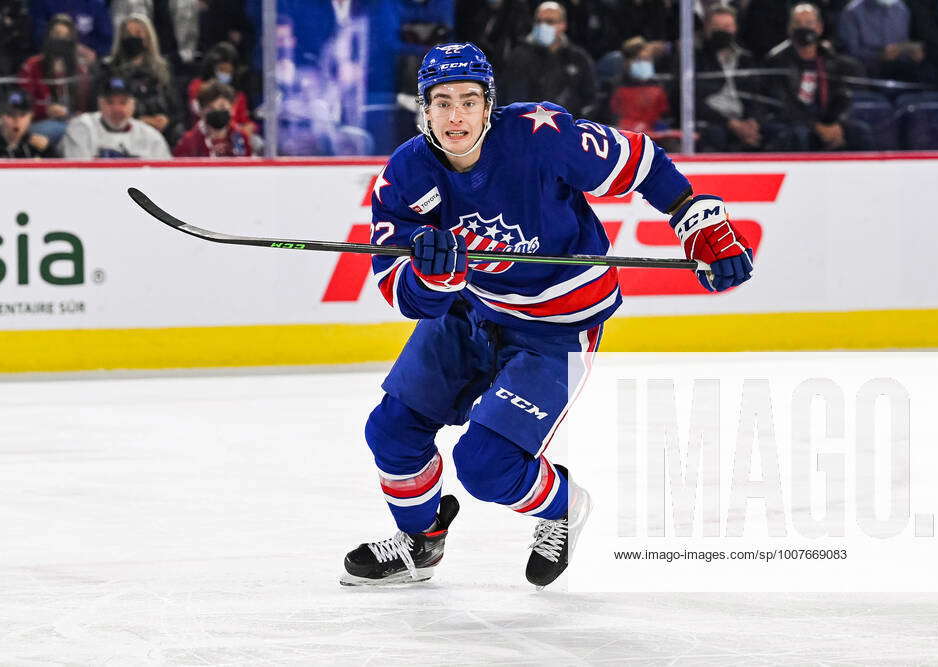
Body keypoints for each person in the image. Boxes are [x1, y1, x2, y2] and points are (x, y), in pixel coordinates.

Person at [341, 43, 754, 588]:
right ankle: (421, 543)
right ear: (425, 109)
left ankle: (560, 506)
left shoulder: (542, 136)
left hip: (557, 329)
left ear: (490, 105)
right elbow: (401, 293)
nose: (456, 116)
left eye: (468, 101)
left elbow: (641, 161)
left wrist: (691, 214)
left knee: (486, 466)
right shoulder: (405, 176)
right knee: (391, 429)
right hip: (473, 311)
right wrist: (433, 279)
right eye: (442, 103)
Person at [764, 4, 870, 151]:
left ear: (819, 27)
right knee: (800, 134)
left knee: (860, 131)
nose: (804, 28)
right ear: (789, 28)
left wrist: (834, 123)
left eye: (809, 23)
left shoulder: (830, 59)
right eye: (798, 23)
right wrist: (816, 125)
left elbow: (842, 95)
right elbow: (782, 103)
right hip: (794, 121)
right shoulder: (777, 60)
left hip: (826, 118)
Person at [501, 2, 598, 117]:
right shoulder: (519, 55)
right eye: (539, 21)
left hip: (567, 128)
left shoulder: (578, 58)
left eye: (549, 22)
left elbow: (590, 98)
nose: (543, 26)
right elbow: (510, 96)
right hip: (527, 126)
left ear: (563, 25)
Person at [18, 14, 99, 149]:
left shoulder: (80, 69)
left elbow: (87, 106)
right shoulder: (32, 65)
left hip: (74, 123)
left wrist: (80, 115)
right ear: (48, 36)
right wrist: (46, 109)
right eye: (56, 34)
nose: (61, 40)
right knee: (68, 133)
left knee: (82, 131)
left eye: (66, 36)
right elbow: (22, 103)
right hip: (42, 121)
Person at [694, 7, 766, 152]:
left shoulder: (745, 58)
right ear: (706, 28)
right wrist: (730, 123)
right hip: (713, 121)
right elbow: (693, 100)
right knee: (715, 134)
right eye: (716, 27)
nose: (722, 32)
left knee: (776, 132)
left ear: (735, 28)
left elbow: (757, 95)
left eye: (727, 27)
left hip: (743, 119)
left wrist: (753, 121)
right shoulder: (696, 57)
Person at [104, 14, 182, 145]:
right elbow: (105, 107)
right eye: (128, 34)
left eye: (138, 33)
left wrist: (166, 119)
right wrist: (138, 120)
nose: (133, 38)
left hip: (162, 128)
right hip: (125, 127)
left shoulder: (163, 68)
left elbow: (176, 107)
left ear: (148, 37)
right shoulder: (110, 69)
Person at [61, 75, 170, 158]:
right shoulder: (82, 128)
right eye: (110, 102)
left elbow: (164, 177)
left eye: (123, 102)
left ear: (133, 105)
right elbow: (78, 173)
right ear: (100, 104)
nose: (117, 109)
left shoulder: (151, 136)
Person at [173, 82, 252, 157]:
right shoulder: (188, 142)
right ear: (201, 111)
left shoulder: (241, 138)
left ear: (232, 109)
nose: (217, 111)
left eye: (222, 107)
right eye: (211, 108)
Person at [0, 90, 53, 158]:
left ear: (31, 116)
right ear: (1, 117)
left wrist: (48, 150)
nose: (17, 120)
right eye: (10, 114)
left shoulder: (36, 147)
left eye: (22, 115)